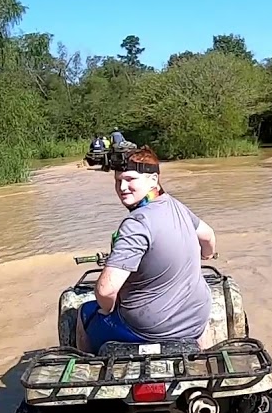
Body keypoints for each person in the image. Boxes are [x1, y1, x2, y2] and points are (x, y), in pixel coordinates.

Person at [75, 146, 217, 353]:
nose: (122, 187)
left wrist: (107, 309)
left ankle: (88, 369)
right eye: (118, 180)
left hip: (147, 329)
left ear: (153, 180)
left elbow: (106, 290)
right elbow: (209, 236)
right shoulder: (176, 206)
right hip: (195, 320)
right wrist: (206, 255)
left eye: (130, 179)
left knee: (84, 313)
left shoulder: (136, 223)